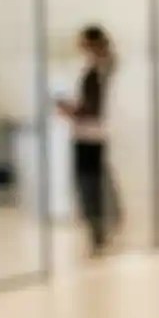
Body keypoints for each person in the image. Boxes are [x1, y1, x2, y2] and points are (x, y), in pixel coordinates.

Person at [56, 25, 122, 257]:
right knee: (95, 182)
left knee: (89, 185)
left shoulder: (97, 71)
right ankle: (102, 228)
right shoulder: (102, 68)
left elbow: (92, 108)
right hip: (93, 134)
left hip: (89, 135)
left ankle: (98, 232)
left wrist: (69, 110)